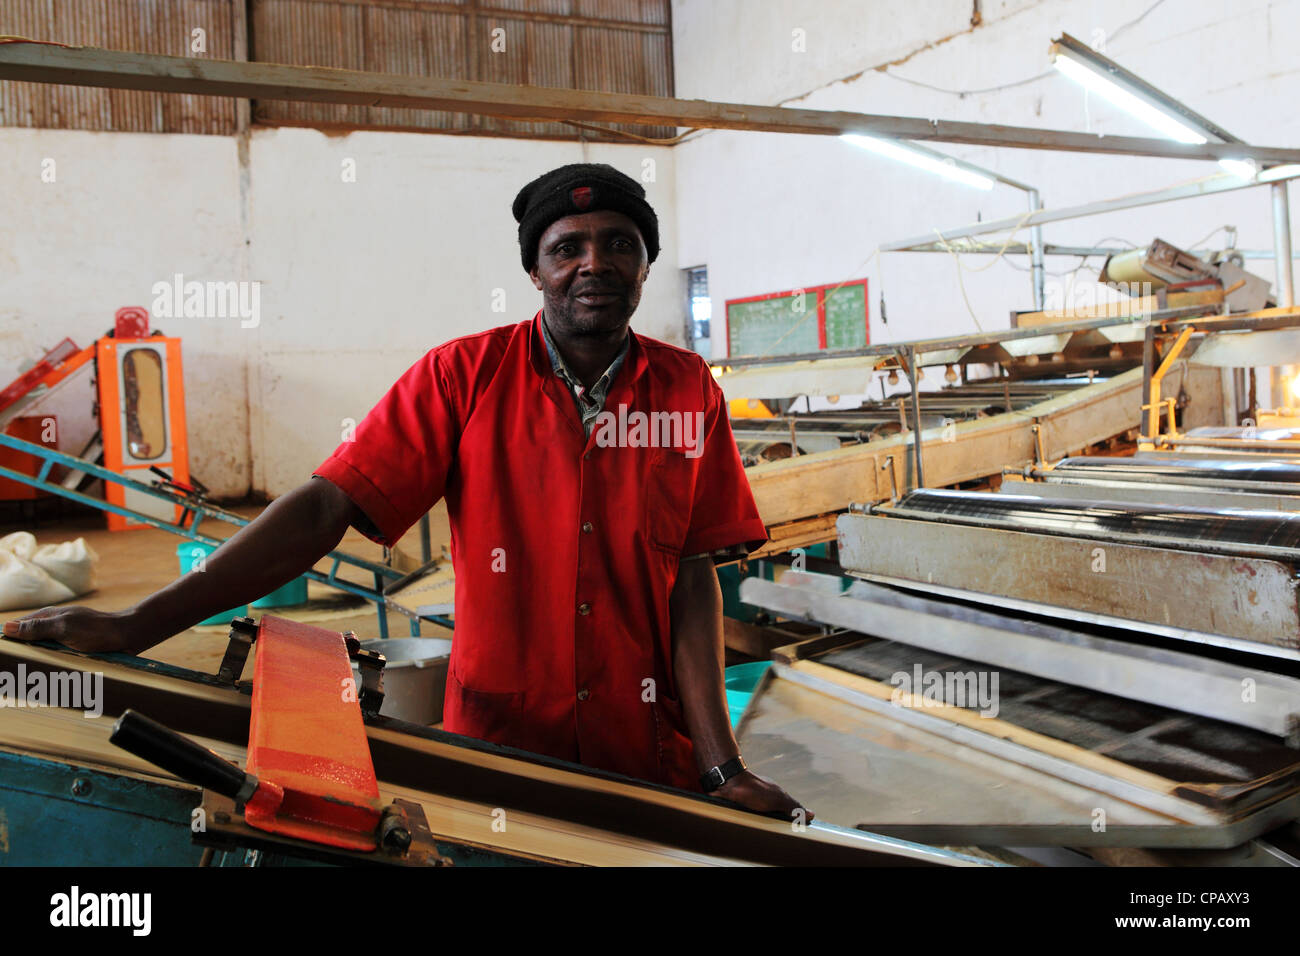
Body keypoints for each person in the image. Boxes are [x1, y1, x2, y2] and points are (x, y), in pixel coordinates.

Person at [5, 163, 809, 820]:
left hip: (647, 752)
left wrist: (717, 765)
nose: (592, 263)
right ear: (534, 270)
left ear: (644, 264)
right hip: (499, 749)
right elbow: (329, 504)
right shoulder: (461, 378)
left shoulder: (687, 389)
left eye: (618, 244)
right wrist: (139, 620)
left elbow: (695, 575)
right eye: (567, 248)